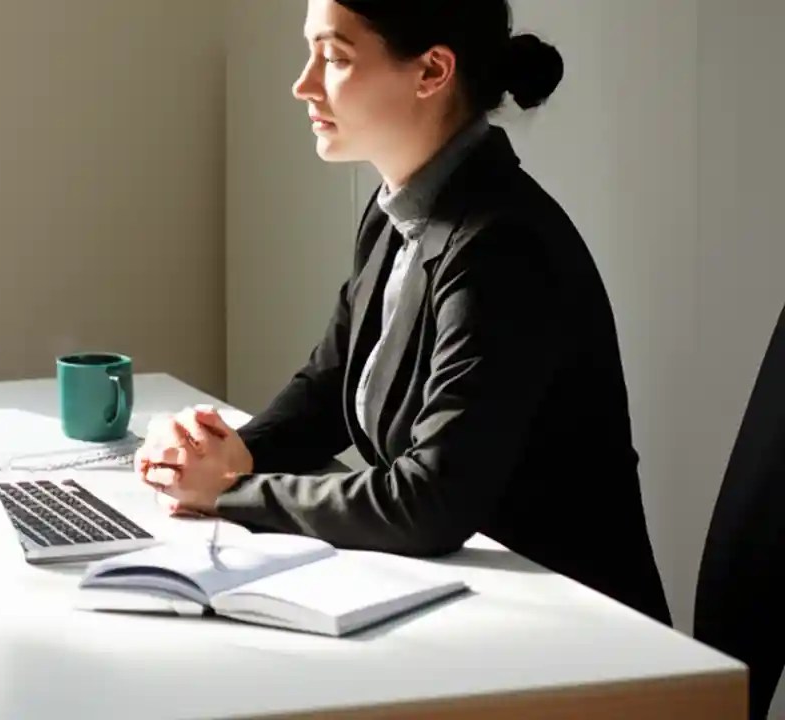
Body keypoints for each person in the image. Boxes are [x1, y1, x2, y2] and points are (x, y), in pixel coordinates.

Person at [135, 0, 672, 626]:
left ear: (431, 72)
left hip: (581, 637)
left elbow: (431, 500)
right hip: (474, 609)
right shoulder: (400, 213)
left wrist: (230, 494)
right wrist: (220, 453)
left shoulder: (501, 247)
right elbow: (330, 386)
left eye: (334, 57)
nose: (303, 83)